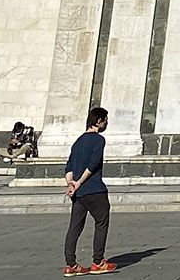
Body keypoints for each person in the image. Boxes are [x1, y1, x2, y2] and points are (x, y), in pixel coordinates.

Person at [62, 106, 114, 276]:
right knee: (101, 222)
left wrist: (71, 184)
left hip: (79, 194)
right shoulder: (98, 140)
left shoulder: (77, 141)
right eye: (105, 120)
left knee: (74, 227)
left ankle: (71, 265)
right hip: (94, 189)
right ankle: (98, 262)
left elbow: (69, 166)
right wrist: (79, 182)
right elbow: (93, 164)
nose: (106, 123)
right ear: (98, 121)